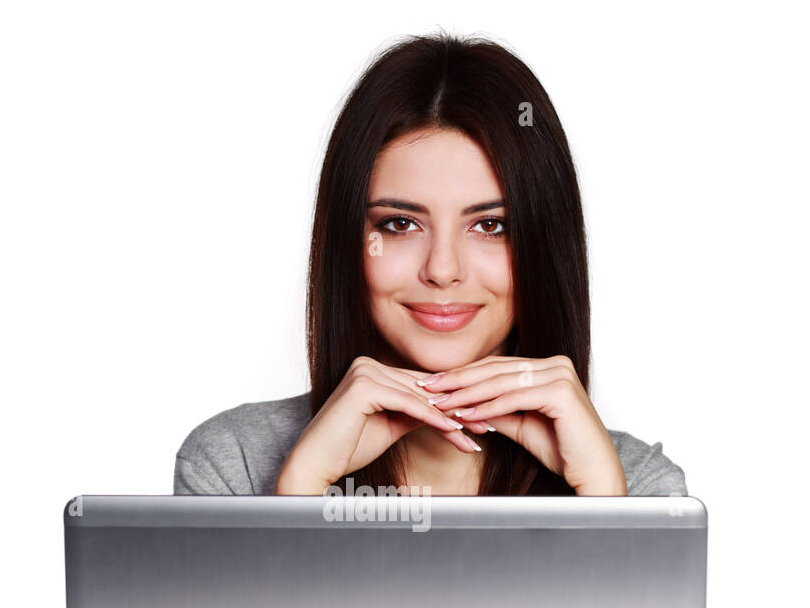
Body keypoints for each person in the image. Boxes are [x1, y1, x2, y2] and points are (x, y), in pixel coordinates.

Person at [175, 34, 686, 499]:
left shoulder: (634, 487)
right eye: (399, 224)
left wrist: (604, 512)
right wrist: (300, 493)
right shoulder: (233, 468)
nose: (442, 270)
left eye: (490, 226)